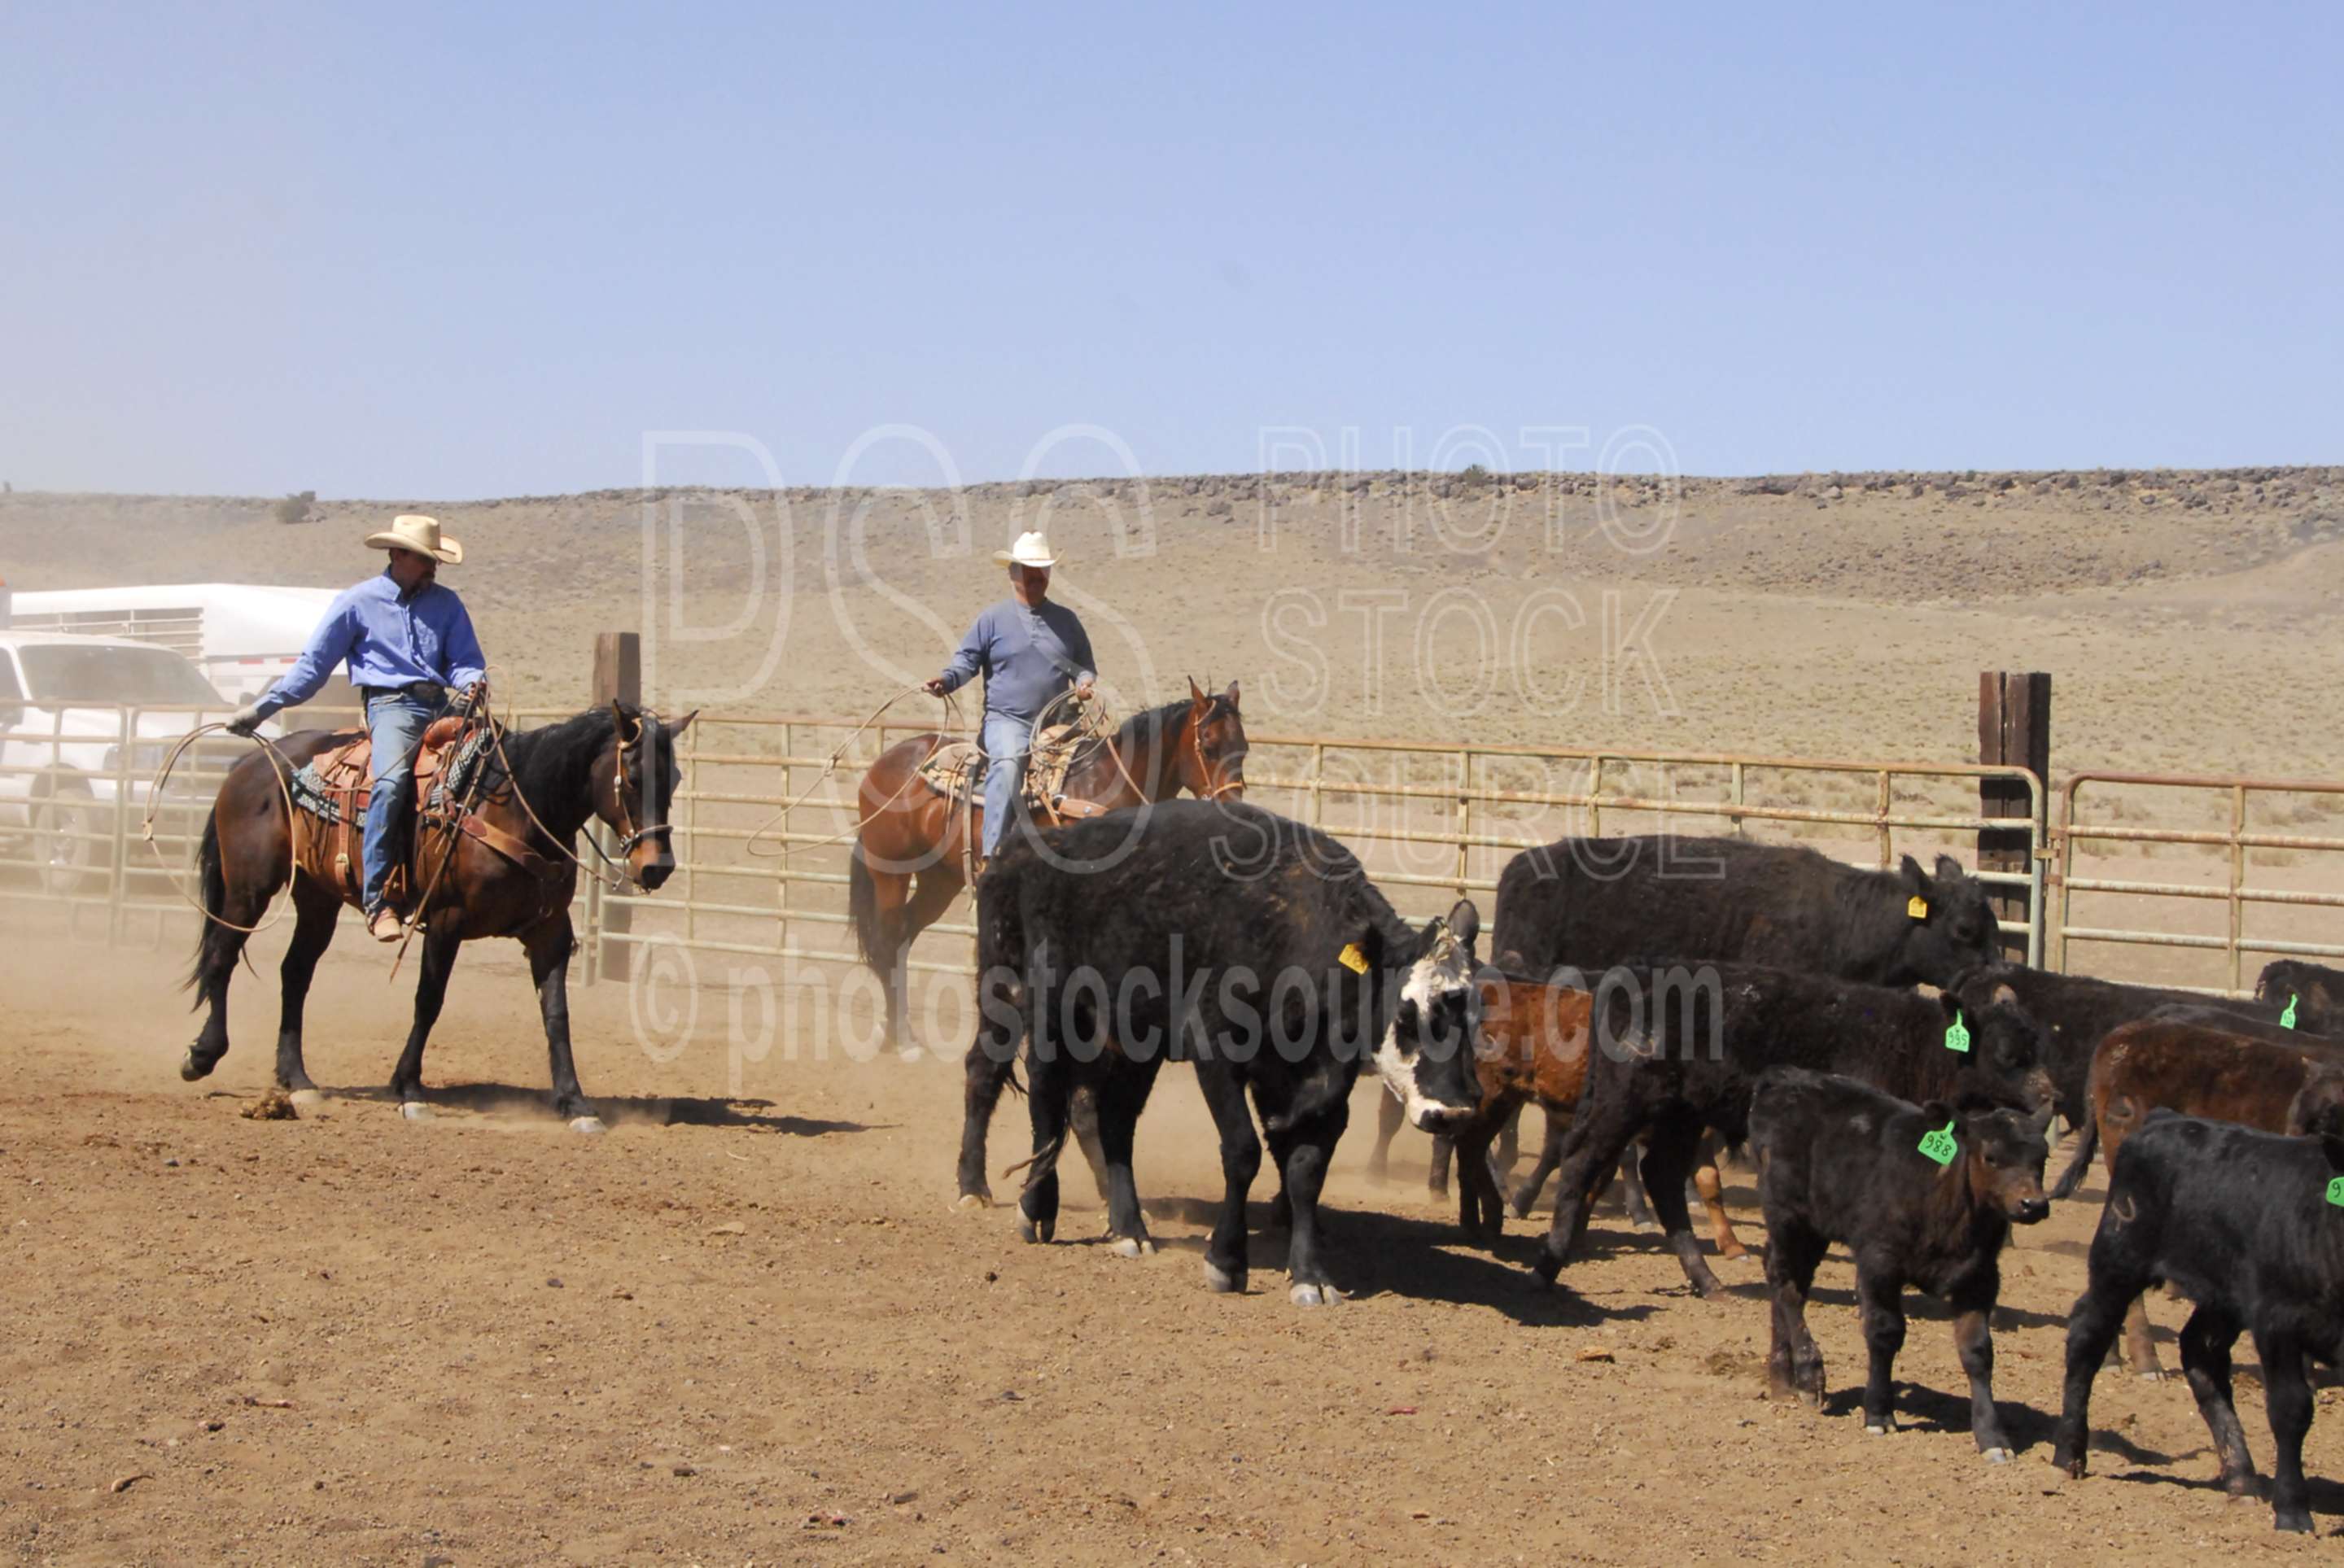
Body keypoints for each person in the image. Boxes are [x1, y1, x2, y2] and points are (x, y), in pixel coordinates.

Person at [225, 515, 488, 941]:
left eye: (433, 559)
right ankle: (379, 897)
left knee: (491, 771)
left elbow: (463, 661)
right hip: (392, 707)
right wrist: (260, 711)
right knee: (391, 783)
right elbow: (312, 668)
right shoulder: (357, 603)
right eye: (424, 558)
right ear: (397, 554)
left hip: (443, 706)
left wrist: (473, 681)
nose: (432, 566)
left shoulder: (447, 604)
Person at [925, 531, 1095, 871]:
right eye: (1028, 569)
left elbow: (1085, 666)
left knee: (1101, 764)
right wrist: (946, 681)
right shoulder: (992, 619)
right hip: (1009, 720)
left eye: (1041, 569)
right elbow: (966, 662)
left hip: (1058, 722)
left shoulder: (1067, 621)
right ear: (1012, 573)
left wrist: (1085, 682)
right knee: (1009, 763)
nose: (1036, 577)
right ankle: (993, 856)